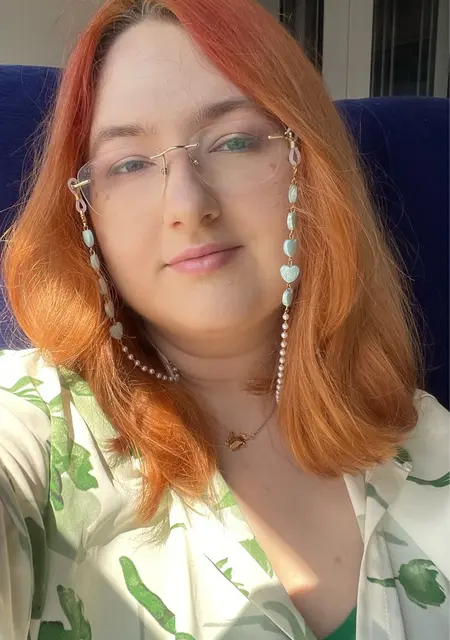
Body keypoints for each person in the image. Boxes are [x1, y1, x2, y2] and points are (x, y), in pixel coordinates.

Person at [0, 0, 448, 638]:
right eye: (129, 163)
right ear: (86, 213)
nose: (186, 204)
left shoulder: (424, 438)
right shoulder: (35, 426)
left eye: (234, 141)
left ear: (309, 169)